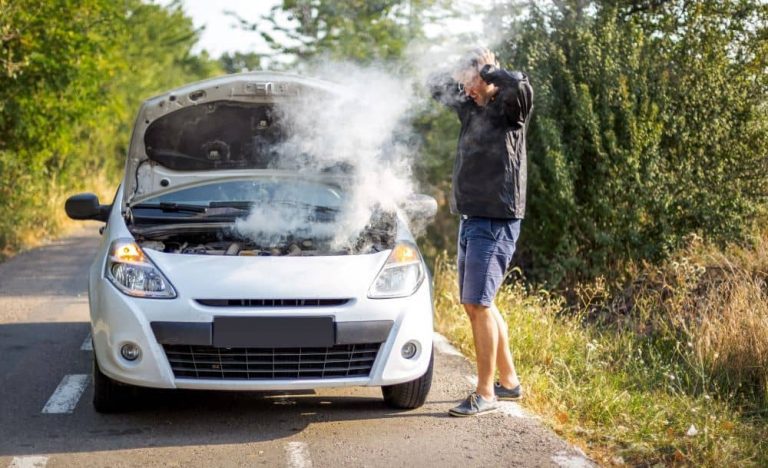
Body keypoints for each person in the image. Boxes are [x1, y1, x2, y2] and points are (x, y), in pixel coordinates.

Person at [428, 47, 533, 416]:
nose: (465, 91)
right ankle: (509, 382)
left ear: (487, 77)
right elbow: (432, 84)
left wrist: (489, 70)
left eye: (470, 83)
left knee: (478, 304)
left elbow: (519, 82)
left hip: (496, 218)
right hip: (472, 217)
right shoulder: (470, 107)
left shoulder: (510, 107)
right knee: (481, 304)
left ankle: (485, 392)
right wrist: (458, 67)